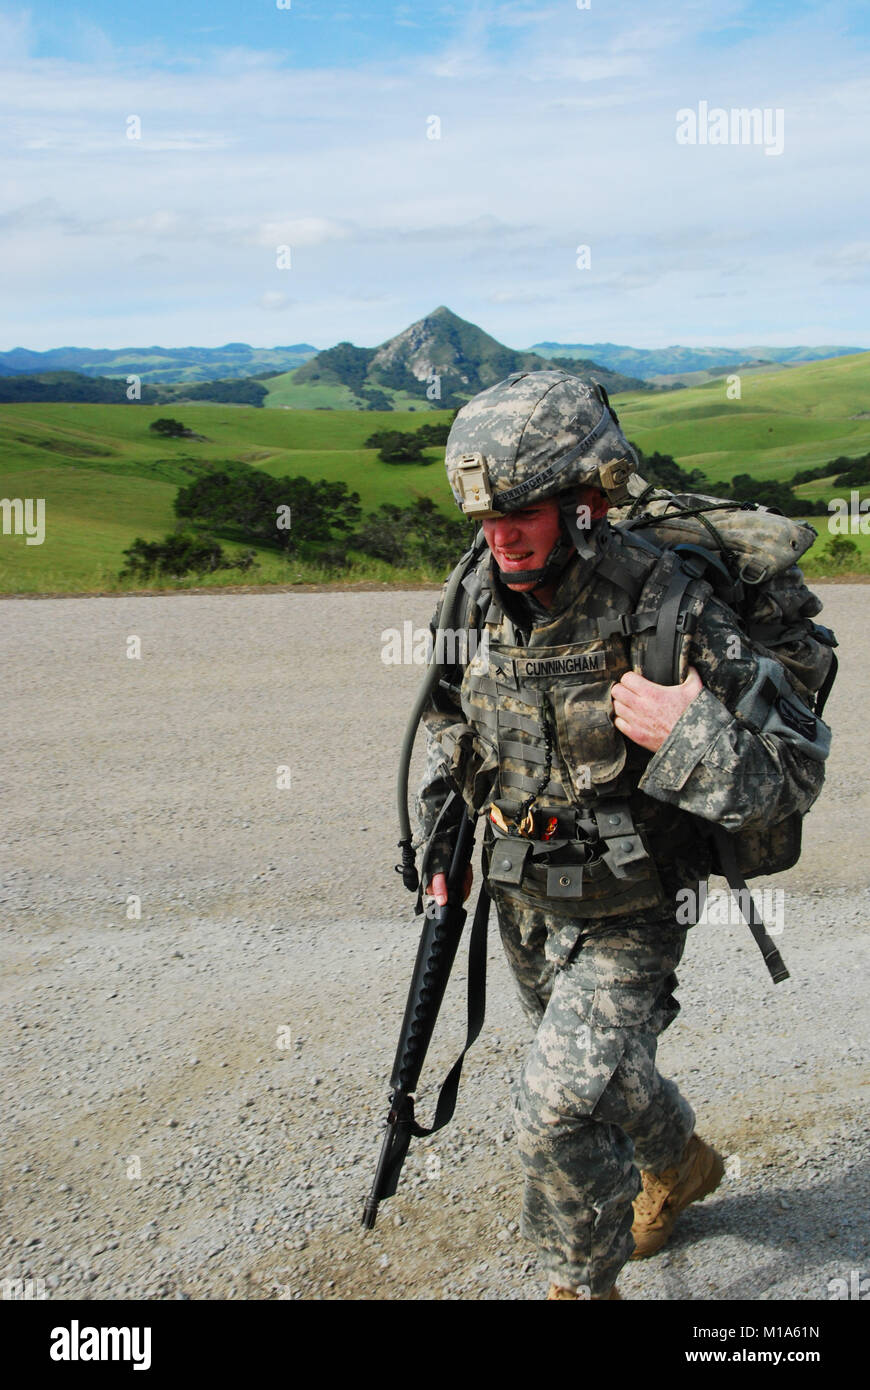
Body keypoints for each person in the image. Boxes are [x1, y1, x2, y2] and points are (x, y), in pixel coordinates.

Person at [413, 369, 831, 1300]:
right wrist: (442, 847)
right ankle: (679, 1164)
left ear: (586, 500)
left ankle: (578, 1283)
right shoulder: (474, 594)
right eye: (486, 516)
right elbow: (447, 725)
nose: (501, 535)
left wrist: (689, 730)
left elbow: (793, 772)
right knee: (604, 1077)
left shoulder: (670, 606)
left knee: (552, 1112)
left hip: (638, 901)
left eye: (523, 509)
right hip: (524, 894)